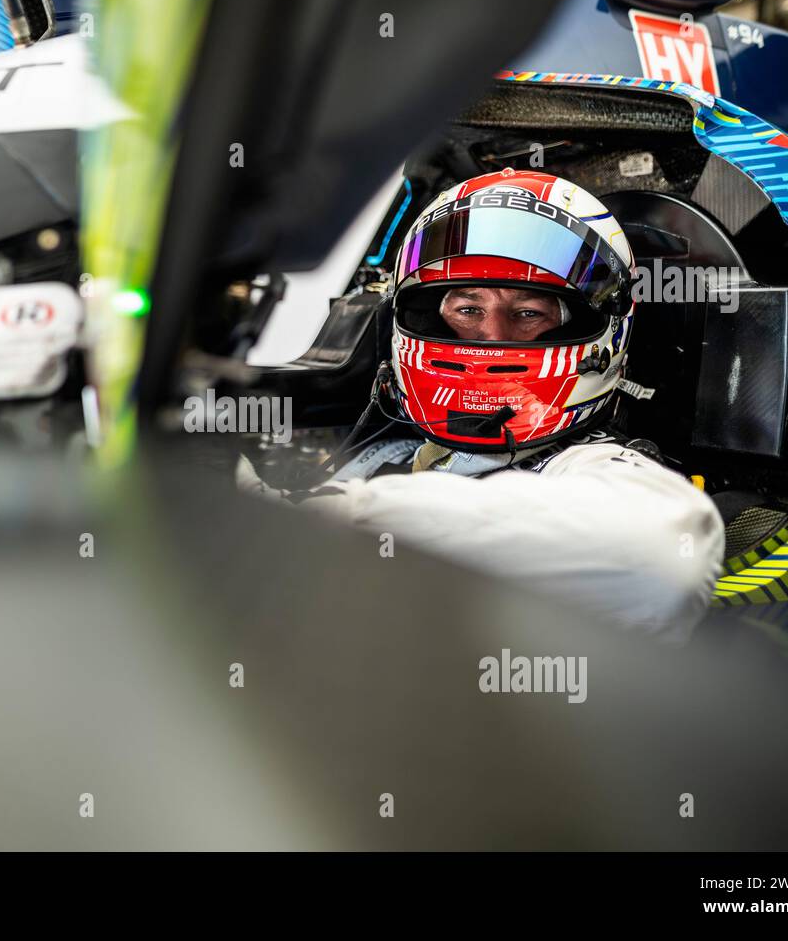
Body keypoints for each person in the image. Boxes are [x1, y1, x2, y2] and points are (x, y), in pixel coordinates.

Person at [242, 169, 724, 644]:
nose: (491, 336)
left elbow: (656, 557)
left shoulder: (599, 468)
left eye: (529, 313)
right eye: (467, 310)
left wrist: (325, 520)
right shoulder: (379, 446)